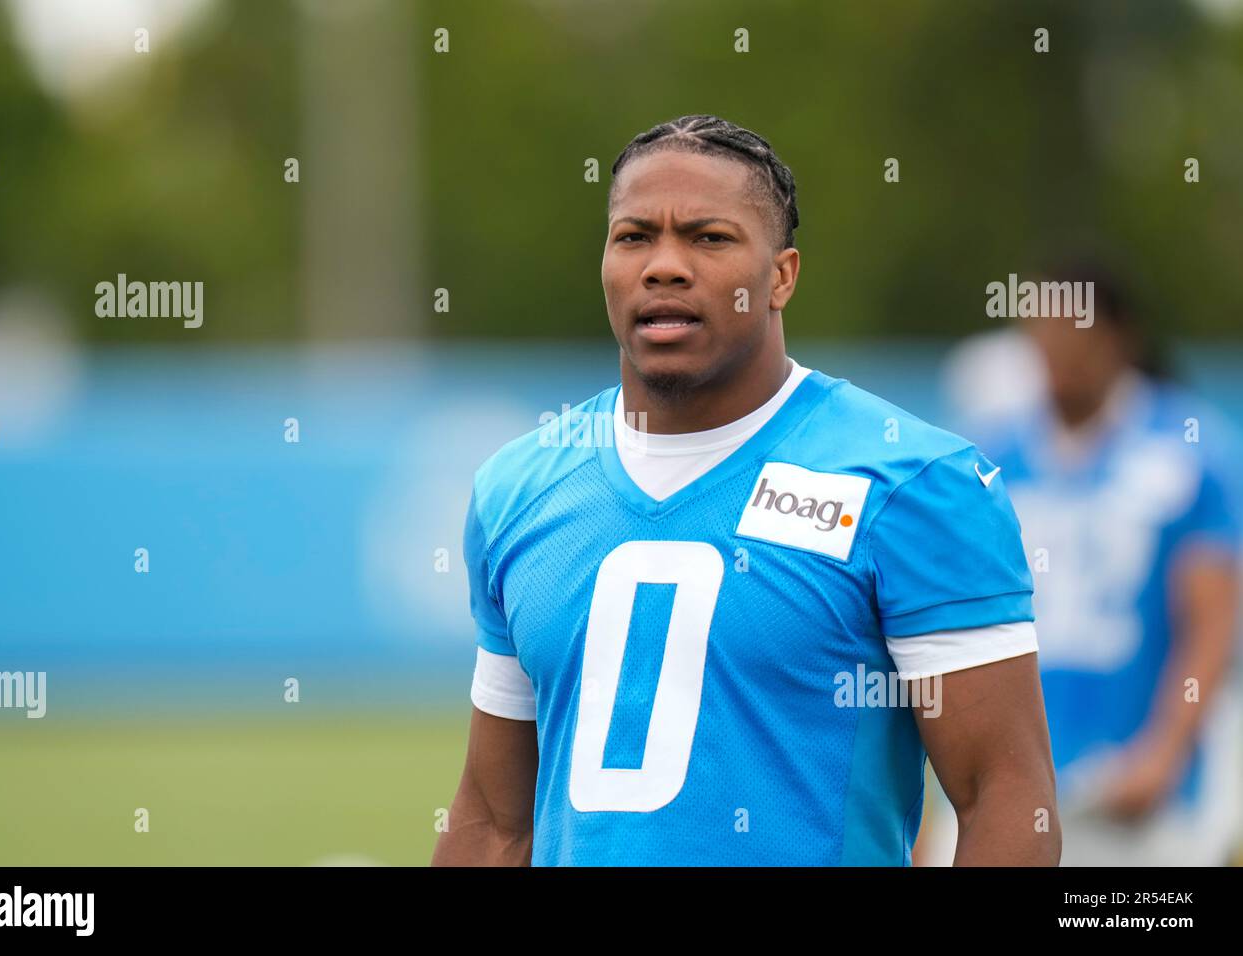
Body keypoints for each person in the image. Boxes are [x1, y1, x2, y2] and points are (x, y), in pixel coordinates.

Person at [432, 114, 1058, 866]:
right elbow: (497, 821)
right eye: (634, 236)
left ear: (782, 275)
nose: (664, 265)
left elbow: (1006, 798)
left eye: (709, 237)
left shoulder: (913, 484)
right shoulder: (520, 488)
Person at [920, 261, 1242, 866]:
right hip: (1005, 782)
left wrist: (1164, 754)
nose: (1055, 351)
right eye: (1041, 334)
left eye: (1072, 333)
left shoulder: (1187, 450)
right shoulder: (988, 454)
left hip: (1133, 789)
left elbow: (1210, 625)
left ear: (1116, 338)